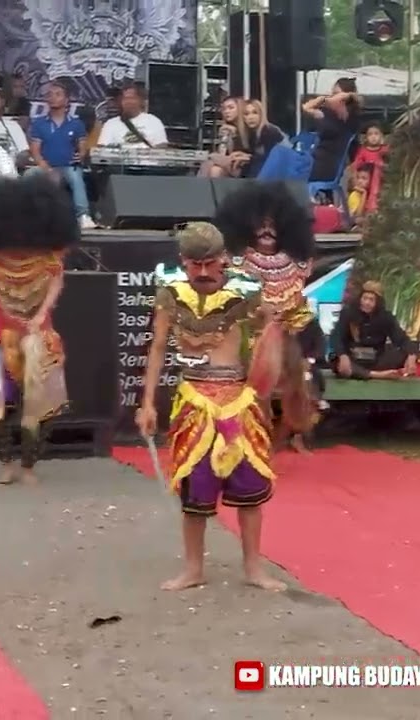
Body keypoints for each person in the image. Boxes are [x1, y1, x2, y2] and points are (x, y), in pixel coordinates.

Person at [136, 221, 287, 593]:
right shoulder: (169, 294)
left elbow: (272, 334)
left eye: (209, 264)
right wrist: (147, 403)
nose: (203, 272)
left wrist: (273, 326)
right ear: (183, 261)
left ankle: (253, 568)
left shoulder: (247, 293)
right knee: (195, 493)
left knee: (250, 493)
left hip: (238, 400)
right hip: (194, 402)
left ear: (223, 260)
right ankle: (193, 569)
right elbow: (156, 347)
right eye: (194, 264)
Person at [0, 174, 76, 486]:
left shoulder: (49, 254)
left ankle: (29, 464)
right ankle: (6, 463)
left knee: (44, 401)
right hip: (3, 331)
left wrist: (40, 316)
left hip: (38, 329)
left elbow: (56, 283)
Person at [214, 182, 325, 451]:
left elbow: (301, 318)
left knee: (304, 382)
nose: (266, 229)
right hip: (242, 348)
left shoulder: (296, 267)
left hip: (286, 346)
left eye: (273, 223)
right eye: (259, 223)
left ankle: (285, 437)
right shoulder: (235, 264)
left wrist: (297, 350)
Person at [27, 82, 94, 230]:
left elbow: (82, 146)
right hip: (47, 166)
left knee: (76, 175)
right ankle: (25, 216)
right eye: (49, 94)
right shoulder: (39, 123)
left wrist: (81, 155)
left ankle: (83, 215)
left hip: (68, 166)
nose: (52, 97)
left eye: (58, 94)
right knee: (28, 175)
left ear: (66, 100)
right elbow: (35, 150)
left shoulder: (76, 124)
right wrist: (45, 167)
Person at [331, 281, 417, 379]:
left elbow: (401, 339)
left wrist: (411, 355)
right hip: (353, 357)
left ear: (378, 302)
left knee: (403, 355)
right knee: (337, 361)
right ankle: (376, 375)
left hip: (377, 359)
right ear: (360, 299)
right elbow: (336, 337)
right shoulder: (348, 314)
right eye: (365, 298)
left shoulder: (386, 317)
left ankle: (368, 373)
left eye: (371, 300)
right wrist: (343, 355)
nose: (367, 303)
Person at [302, 78, 361, 183]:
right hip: (315, 160)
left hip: (327, 166)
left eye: (336, 94)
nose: (333, 97)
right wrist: (323, 99)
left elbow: (357, 98)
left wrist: (345, 96)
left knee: (290, 169)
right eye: (332, 94)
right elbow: (305, 107)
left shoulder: (349, 118)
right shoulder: (327, 113)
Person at [96, 83, 167, 147]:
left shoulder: (153, 121)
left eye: (132, 98)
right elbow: (101, 150)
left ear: (140, 101)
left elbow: (161, 148)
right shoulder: (111, 124)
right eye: (125, 99)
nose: (128, 102)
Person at [235, 99, 284, 179]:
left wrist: (249, 158)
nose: (251, 117)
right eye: (246, 114)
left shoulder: (270, 131)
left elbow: (271, 158)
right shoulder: (250, 134)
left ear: (261, 115)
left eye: (255, 113)